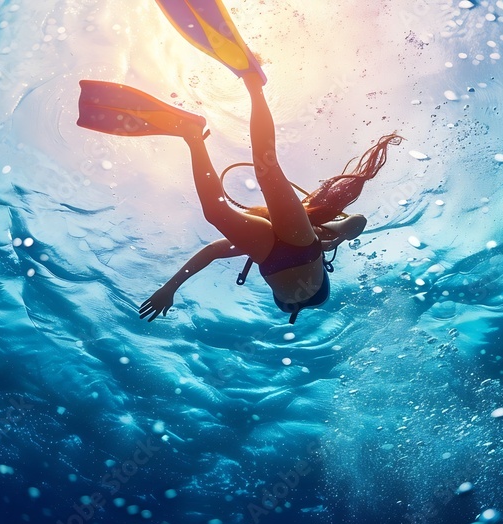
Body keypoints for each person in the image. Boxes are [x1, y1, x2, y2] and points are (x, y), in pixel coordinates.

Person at [78, 0, 401, 323]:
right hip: (303, 245)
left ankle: (192, 135)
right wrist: (339, 231)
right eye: (295, 306)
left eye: (288, 305)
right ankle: (252, 83)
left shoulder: (268, 255)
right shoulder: (324, 238)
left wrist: (171, 287)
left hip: (269, 255)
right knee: (267, 170)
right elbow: (357, 220)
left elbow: (213, 252)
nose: (294, 306)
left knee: (215, 213)